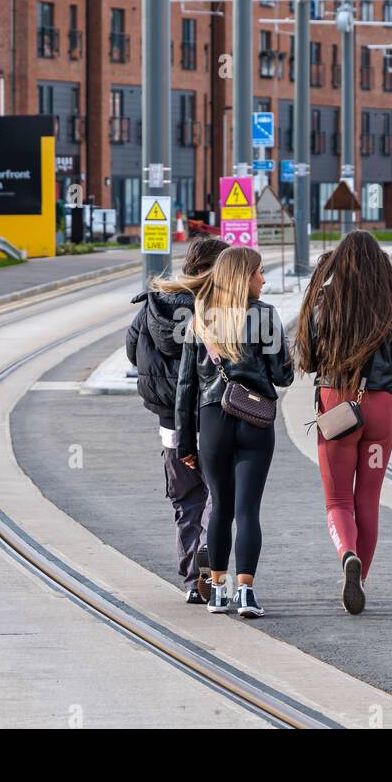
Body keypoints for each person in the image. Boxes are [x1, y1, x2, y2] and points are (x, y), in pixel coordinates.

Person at [293, 231, 392, 615]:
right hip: (378, 407)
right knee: (369, 501)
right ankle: (360, 582)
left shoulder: (324, 302)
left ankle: (347, 556)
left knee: (338, 499)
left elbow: (308, 362)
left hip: (336, 406)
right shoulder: (391, 304)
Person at [174, 246, 293, 619]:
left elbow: (186, 387)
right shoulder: (266, 316)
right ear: (244, 277)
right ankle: (246, 592)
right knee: (248, 510)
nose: (263, 279)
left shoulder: (201, 319)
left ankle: (217, 592)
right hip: (254, 417)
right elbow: (282, 375)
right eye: (259, 273)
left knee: (220, 507)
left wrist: (185, 442)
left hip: (211, 420)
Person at [126, 237, 229, 604]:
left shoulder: (153, 304)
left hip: (171, 425)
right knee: (221, 497)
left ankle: (191, 581)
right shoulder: (218, 308)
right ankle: (209, 555)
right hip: (213, 419)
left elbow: (132, 351)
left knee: (185, 500)